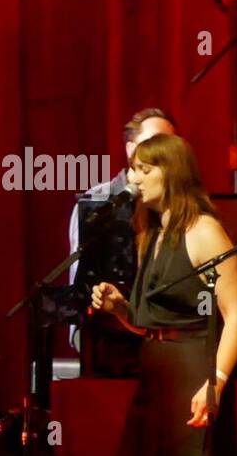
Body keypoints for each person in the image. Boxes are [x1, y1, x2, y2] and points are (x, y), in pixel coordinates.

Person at [91, 134, 237, 456]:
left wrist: (217, 380)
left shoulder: (203, 231)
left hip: (192, 370)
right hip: (155, 374)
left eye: (146, 170)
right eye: (133, 169)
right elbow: (146, 324)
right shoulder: (153, 234)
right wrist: (120, 307)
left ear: (172, 173)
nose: (135, 179)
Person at [67, 108, 176, 359]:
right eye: (152, 143)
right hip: (109, 340)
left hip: (169, 338)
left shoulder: (182, 206)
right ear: (130, 150)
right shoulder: (98, 202)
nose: (162, 154)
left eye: (169, 145)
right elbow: (81, 287)